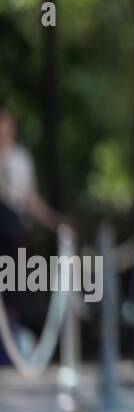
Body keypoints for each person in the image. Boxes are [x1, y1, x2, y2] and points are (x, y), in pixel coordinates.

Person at [0, 107, 60, 364]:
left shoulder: (20, 159)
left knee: (13, 292)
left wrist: (54, 222)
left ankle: (14, 347)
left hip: (12, 234)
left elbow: (29, 199)